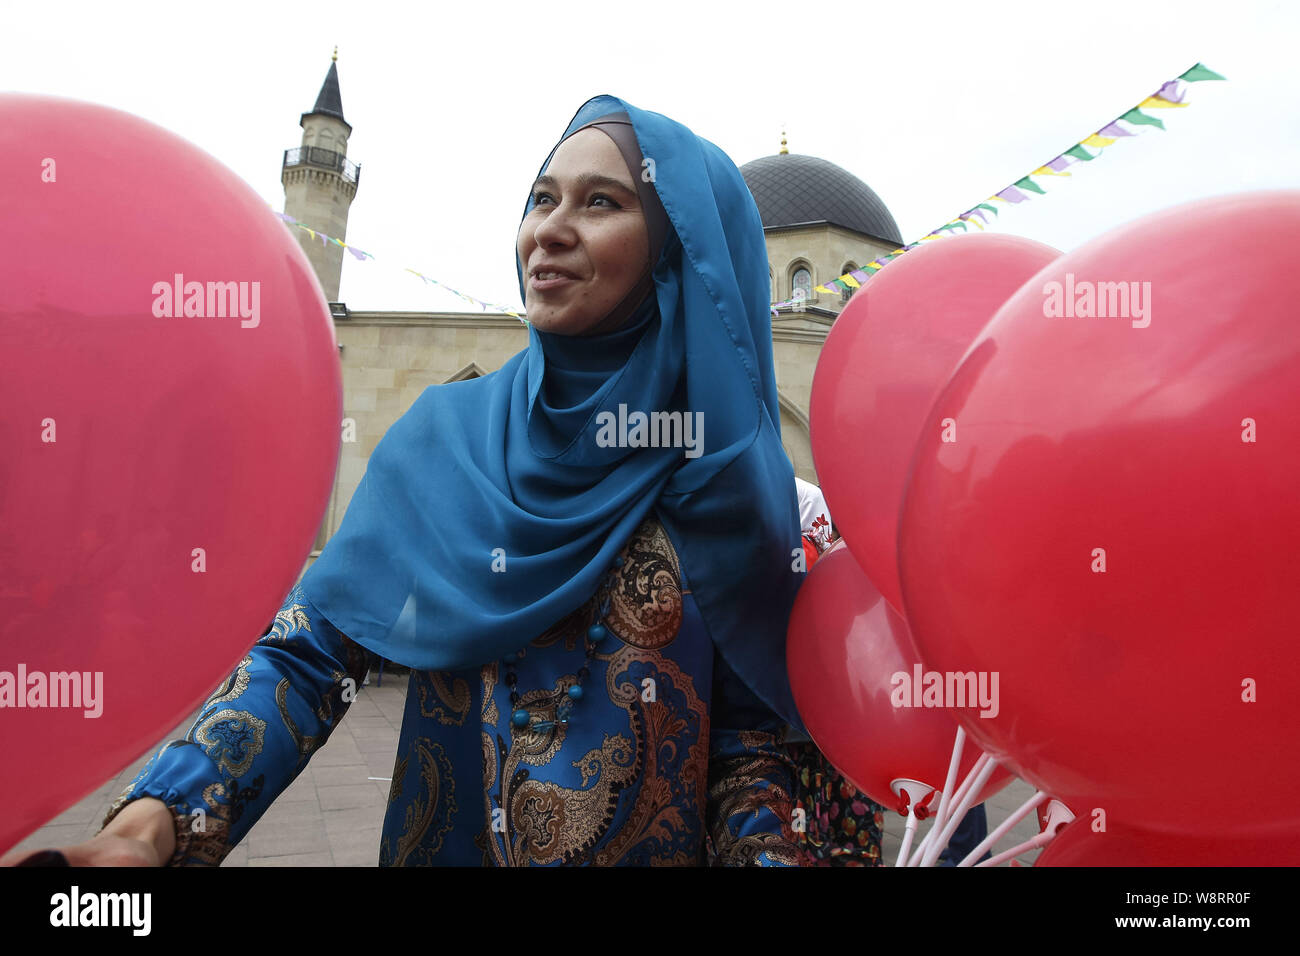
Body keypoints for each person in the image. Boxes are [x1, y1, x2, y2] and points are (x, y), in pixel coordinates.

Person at [9, 95, 810, 867]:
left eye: (600, 203)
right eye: (540, 199)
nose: (549, 231)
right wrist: (152, 826)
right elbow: (309, 657)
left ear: (675, 253)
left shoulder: (722, 478)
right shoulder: (447, 441)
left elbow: (747, 753)